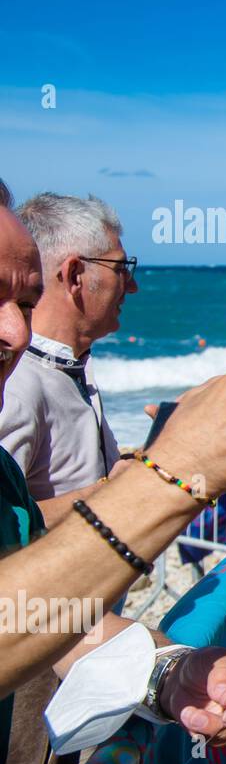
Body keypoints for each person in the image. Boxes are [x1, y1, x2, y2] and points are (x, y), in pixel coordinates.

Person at [0, 194, 226, 764]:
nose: (17, 333)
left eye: (23, 302)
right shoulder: (25, 390)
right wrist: (172, 472)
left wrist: (169, 672)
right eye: (123, 270)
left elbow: (45, 607)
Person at [0, 194, 136, 527]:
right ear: (75, 274)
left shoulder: (67, 368)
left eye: (25, 305)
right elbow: (9, 526)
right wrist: (118, 489)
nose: (131, 286)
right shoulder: (19, 384)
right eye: (121, 269)